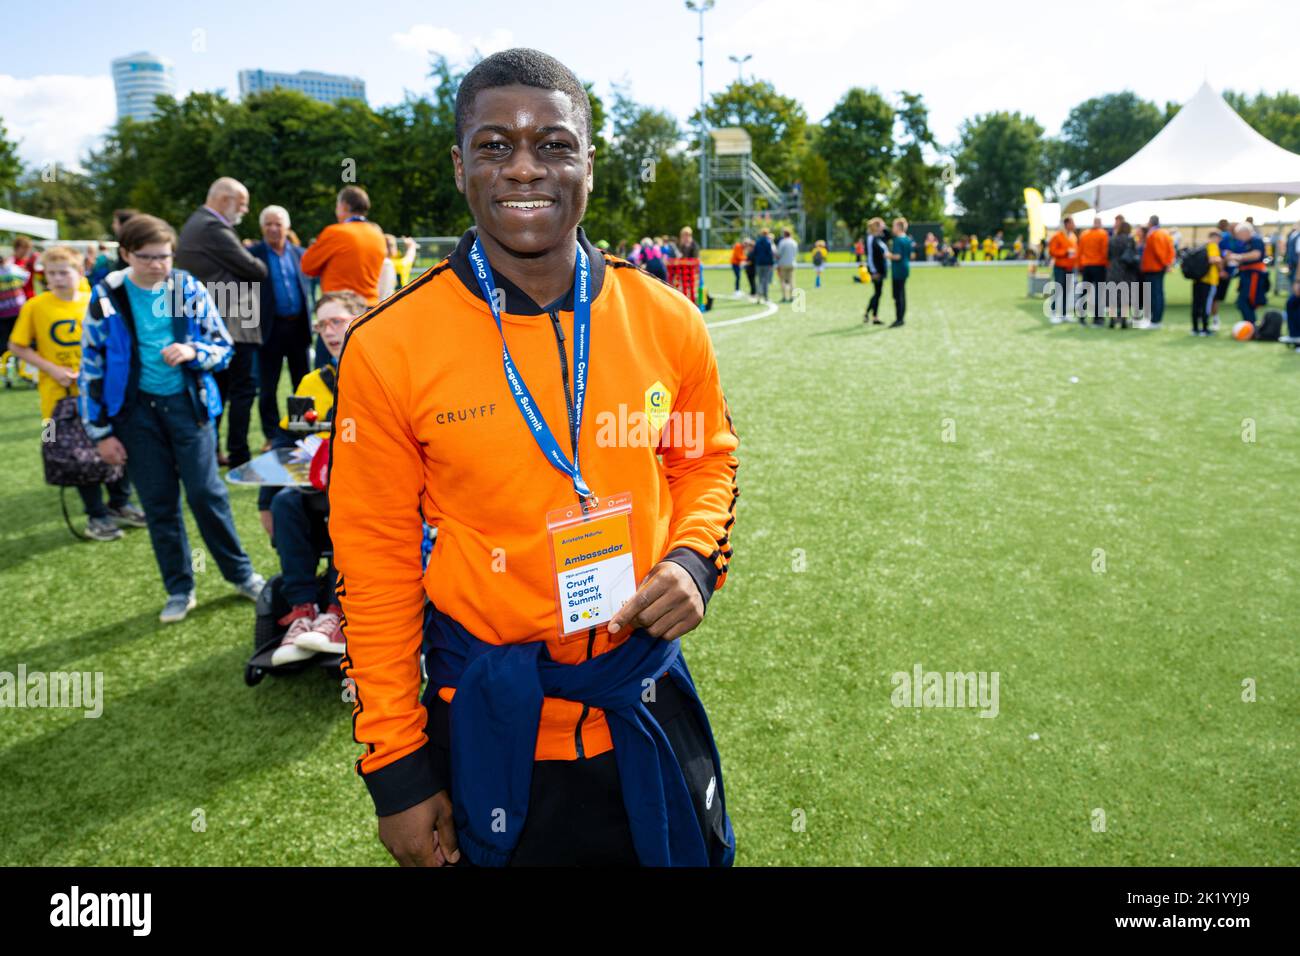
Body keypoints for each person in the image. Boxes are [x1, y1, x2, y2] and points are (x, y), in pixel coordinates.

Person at [330, 47, 738, 869]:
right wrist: (397, 770)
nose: (526, 168)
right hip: (488, 722)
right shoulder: (387, 348)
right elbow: (371, 570)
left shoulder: (669, 320)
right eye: (494, 145)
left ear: (590, 160)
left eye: (554, 144)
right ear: (459, 165)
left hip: (645, 702)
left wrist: (695, 559)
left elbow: (705, 463)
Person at [80, 214, 266, 623]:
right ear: (125, 253)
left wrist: (193, 353)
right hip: (136, 416)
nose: (158, 265)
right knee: (159, 504)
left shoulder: (187, 287)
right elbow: (90, 367)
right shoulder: (107, 295)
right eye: (147, 257)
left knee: (206, 495)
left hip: (188, 406)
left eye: (165, 256)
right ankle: (180, 589)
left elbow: (222, 346)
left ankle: (242, 575)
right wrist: (100, 432)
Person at [257, 290, 367, 665]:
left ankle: (337, 612)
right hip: (320, 489)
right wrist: (263, 502)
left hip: (372, 496)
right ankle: (303, 610)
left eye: (337, 321)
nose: (329, 331)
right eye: (322, 325)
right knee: (285, 501)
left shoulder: (382, 371)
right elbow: (287, 442)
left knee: (343, 502)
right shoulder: (312, 383)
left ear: (360, 319)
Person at [7, 246, 146, 540]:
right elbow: (17, 346)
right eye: (51, 273)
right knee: (77, 455)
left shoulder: (94, 301)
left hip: (99, 393)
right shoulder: (35, 306)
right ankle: (96, 515)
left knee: (118, 444)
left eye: (64, 272)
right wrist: (51, 368)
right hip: (58, 398)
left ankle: (120, 503)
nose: (57, 279)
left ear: (79, 271)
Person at [175, 177, 268, 468]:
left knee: (219, 391)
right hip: (231, 323)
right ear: (224, 199)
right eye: (242, 204)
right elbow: (256, 270)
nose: (245, 211)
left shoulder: (197, 223)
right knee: (240, 390)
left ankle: (211, 452)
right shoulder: (213, 227)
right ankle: (238, 455)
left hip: (214, 323)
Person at [249, 205, 314, 445]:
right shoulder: (253, 255)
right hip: (269, 329)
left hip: (298, 327)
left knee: (303, 383)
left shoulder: (300, 254)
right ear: (262, 227)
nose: (273, 229)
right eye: (268, 224)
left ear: (287, 227)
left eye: (278, 224)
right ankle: (272, 435)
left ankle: (303, 429)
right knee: (268, 387)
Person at [300, 185, 388, 307]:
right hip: (370, 306)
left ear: (344, 205)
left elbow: (306, 266)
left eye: (337, 205)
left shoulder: (335, 232)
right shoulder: (378, 235)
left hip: (340, 308)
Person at [1226, 222, 1267, 326]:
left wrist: (1237, 257)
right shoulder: (1245, 242)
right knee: (1242, 301)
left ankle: (1251, 324)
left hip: (1254, 275)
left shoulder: (1256, 240)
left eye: (1239, 234)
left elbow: (1256, 255)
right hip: (1245, 273)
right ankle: (1249, 323)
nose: (1238, 237)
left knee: (1248, 300)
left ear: (1245, 232)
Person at [1139, 215, 1175, 328]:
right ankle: (1155, 319)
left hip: (1154, 268)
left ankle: (1155, 320)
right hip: (1158, 267)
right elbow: (1171, 249)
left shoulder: (1154, 234)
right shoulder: (1165, 233)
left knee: (1155, 295)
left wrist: (1166, 263)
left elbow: (1159, 252)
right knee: (1157, 293)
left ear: (1150, 223)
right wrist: (1168, 263)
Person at [1190, 229, 1224, 337]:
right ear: (1216, 237)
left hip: (1197, 279)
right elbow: (1213, 259)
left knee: (1196, 304)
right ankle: (1205, 329)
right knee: (1206, 305)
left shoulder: (1201, 246)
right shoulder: (1213, 246)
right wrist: (1221, 266)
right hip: (1209, 280)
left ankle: (1195, 328)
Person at [1106, 220, 1140, 328]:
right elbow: (1134, 255)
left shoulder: (1112, 239)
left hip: (1113, 269)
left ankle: (1112, 320)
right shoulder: (1130, 240)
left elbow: (1108, 255)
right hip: (1126, 270)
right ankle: (1123, 320)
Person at [1078, 216, 1110, 326]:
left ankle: (1081, 317)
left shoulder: (1084, 234)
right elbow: (1105, 251)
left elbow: (1079, 251)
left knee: (1084, 291)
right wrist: (1107, 264)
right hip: (1099, 265)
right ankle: (1098, 318)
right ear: (1100, 224)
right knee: (1100, 292)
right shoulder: (1103, 234)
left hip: (1086, 266)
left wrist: (1080, 265)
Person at [1048, 217, 1078, 323]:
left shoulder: (1073, 236)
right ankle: (1053, 313)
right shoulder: (1057, 236)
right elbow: (1052, 251)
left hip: (1070, 267)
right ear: (1067, 224)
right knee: (1058, 289)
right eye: (1072, 223)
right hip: (1060, 266)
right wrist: (1065, 252)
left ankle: (1064, 314)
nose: (1074, 225)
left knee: (1067, 291)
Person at [885, 217, 913, 327]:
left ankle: (899, 319)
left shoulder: (898, 240)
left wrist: (888, 255)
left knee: (897, 295)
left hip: (898, 270)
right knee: (902, 294)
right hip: (905, 268)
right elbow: (910, 254)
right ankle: (901, 318)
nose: (892, 228)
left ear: (899, 227)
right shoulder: (907, 239)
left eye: (893, 226)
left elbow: (897, 256)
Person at [863, 217, 887, 324]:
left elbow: (889, 234)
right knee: (877, 293)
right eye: (882, 225)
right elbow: (870, 257)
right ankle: (871, 315)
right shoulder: (870, 238)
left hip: (881, 270)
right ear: (876, 227)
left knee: (878, 293)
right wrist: (873, 271)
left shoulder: (878, 237)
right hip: (876, 271)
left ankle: (871, 315)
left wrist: (883, 228)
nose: (884, 226)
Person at [751, 228, 774, 302]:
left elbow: (754, 253)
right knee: (765, 281)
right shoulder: (768, 242)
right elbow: (770, 253)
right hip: (767, 264)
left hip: (759, 264)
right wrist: (771, 263)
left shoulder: (757, 242)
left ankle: (758, 297)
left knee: (760, 281)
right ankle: (765, 297)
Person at [775, 228, 798, 303]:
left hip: (783, 264)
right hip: (792, 263)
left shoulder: (782, 242)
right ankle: (792, 297)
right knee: (791, 281)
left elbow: (778, 254)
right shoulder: (794, 242)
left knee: (783, 281)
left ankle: (784, 297)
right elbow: (795, 253)